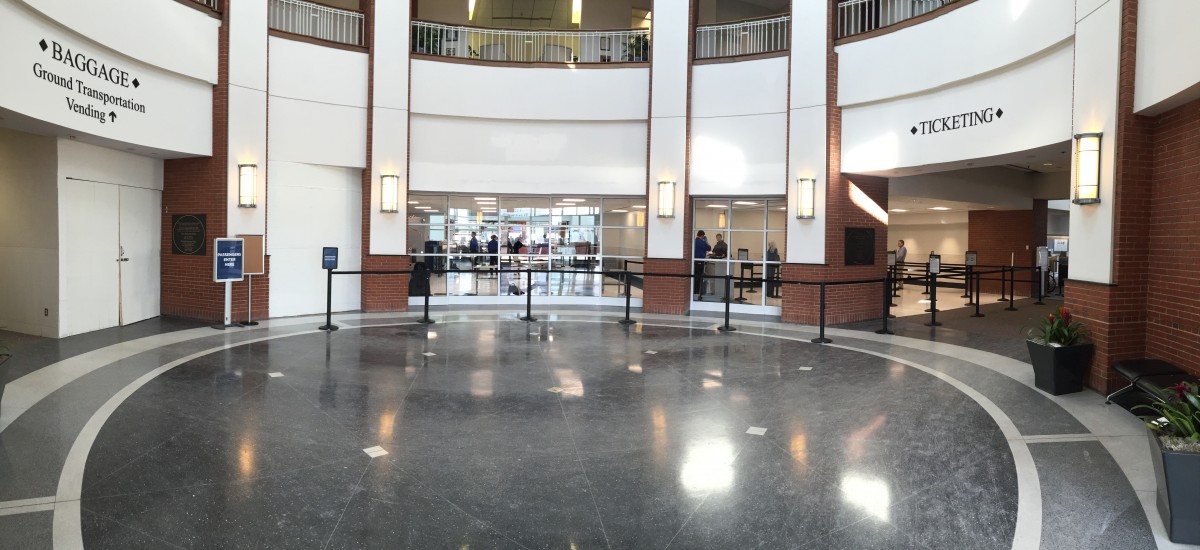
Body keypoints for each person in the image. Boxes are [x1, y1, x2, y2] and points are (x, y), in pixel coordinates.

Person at [694, 230, 711, 297]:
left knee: (694, 277)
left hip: (694, 262)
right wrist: (706, 242)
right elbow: (709, 248)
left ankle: (694, 291)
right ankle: (697, 292)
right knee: (699, 277)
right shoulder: (702, 242)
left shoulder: (694, 241)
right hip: (700, 262)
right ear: (702, 236)